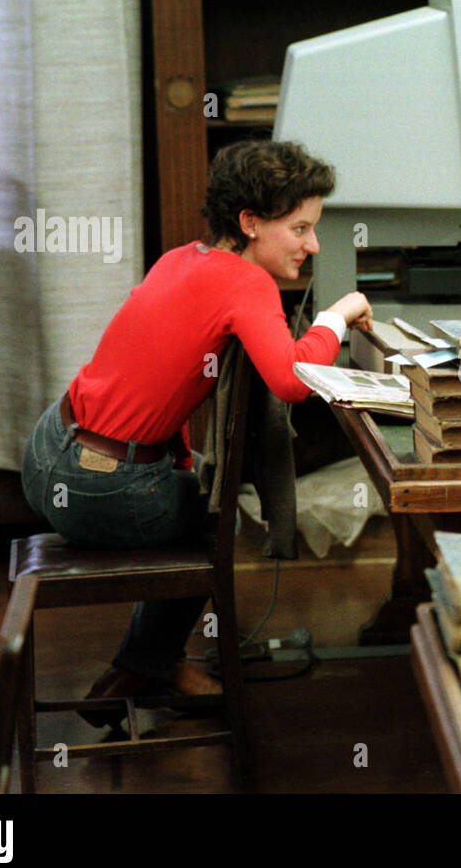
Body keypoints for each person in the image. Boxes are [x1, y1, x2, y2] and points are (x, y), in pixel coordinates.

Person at [20, 139, 373, 724]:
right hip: (97, 489)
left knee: (193, 492)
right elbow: (292, 380)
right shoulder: (248, 284)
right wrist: (339, 313)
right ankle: (148, 666)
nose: (312, 245)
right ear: (250, 223)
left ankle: (150, 665)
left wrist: (182, 467)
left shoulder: (181, 258)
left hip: (46, 453)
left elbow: (162, 384)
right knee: (216, 519)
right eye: (300, 228)